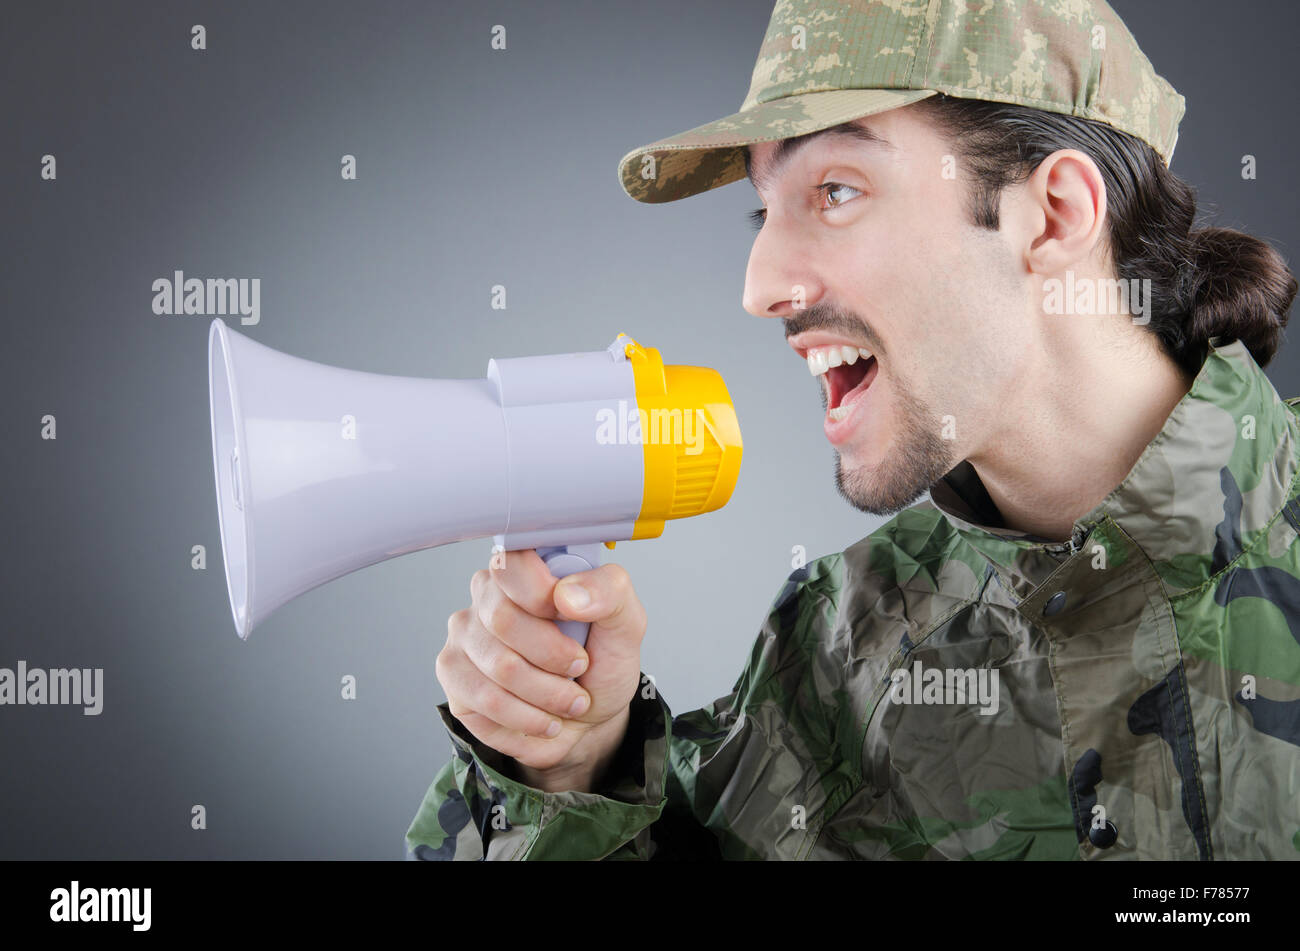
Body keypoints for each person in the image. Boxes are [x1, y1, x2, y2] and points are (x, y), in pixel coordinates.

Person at [406, 0, 1300, 860]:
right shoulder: (837, 651)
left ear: (1055, 214)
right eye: (765, 210)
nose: (760, 287)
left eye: (836, 190)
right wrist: (571, 768)